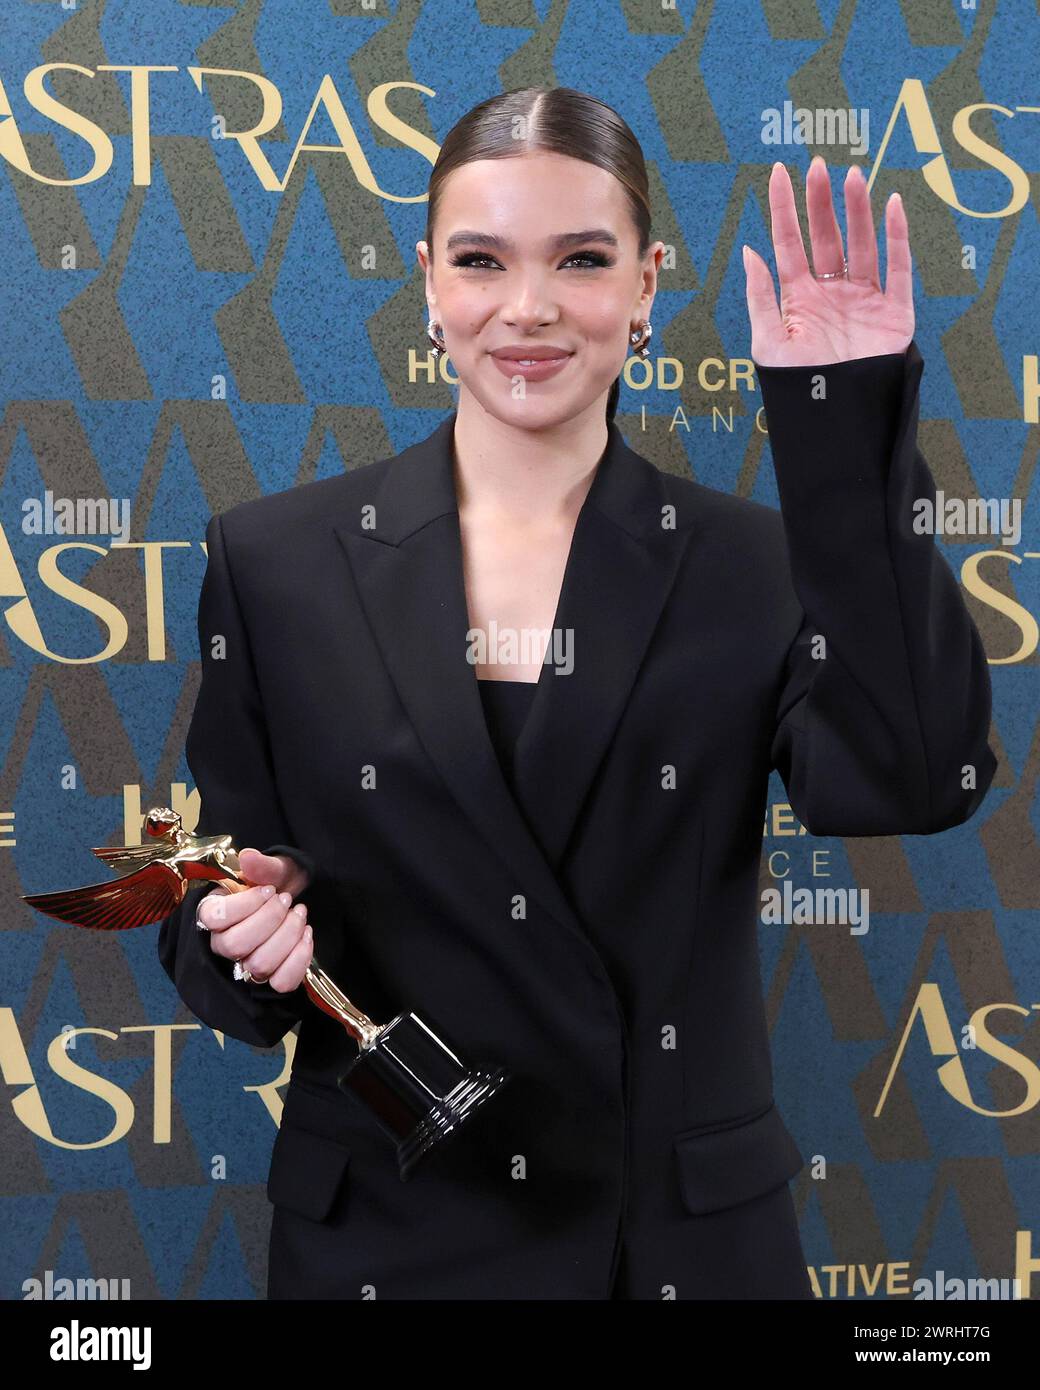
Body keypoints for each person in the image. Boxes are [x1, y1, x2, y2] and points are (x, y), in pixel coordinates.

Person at [157, 86, 996, 1300]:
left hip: (667, 1246)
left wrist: (843, 432)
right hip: (385, 1234)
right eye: (482, 260)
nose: (530, 307)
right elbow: (221, 902)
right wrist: (248, 937)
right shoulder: (273, 561)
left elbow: (915, 781)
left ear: (647, 284)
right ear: (429, 282)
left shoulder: (752, 568)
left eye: (582, 259)